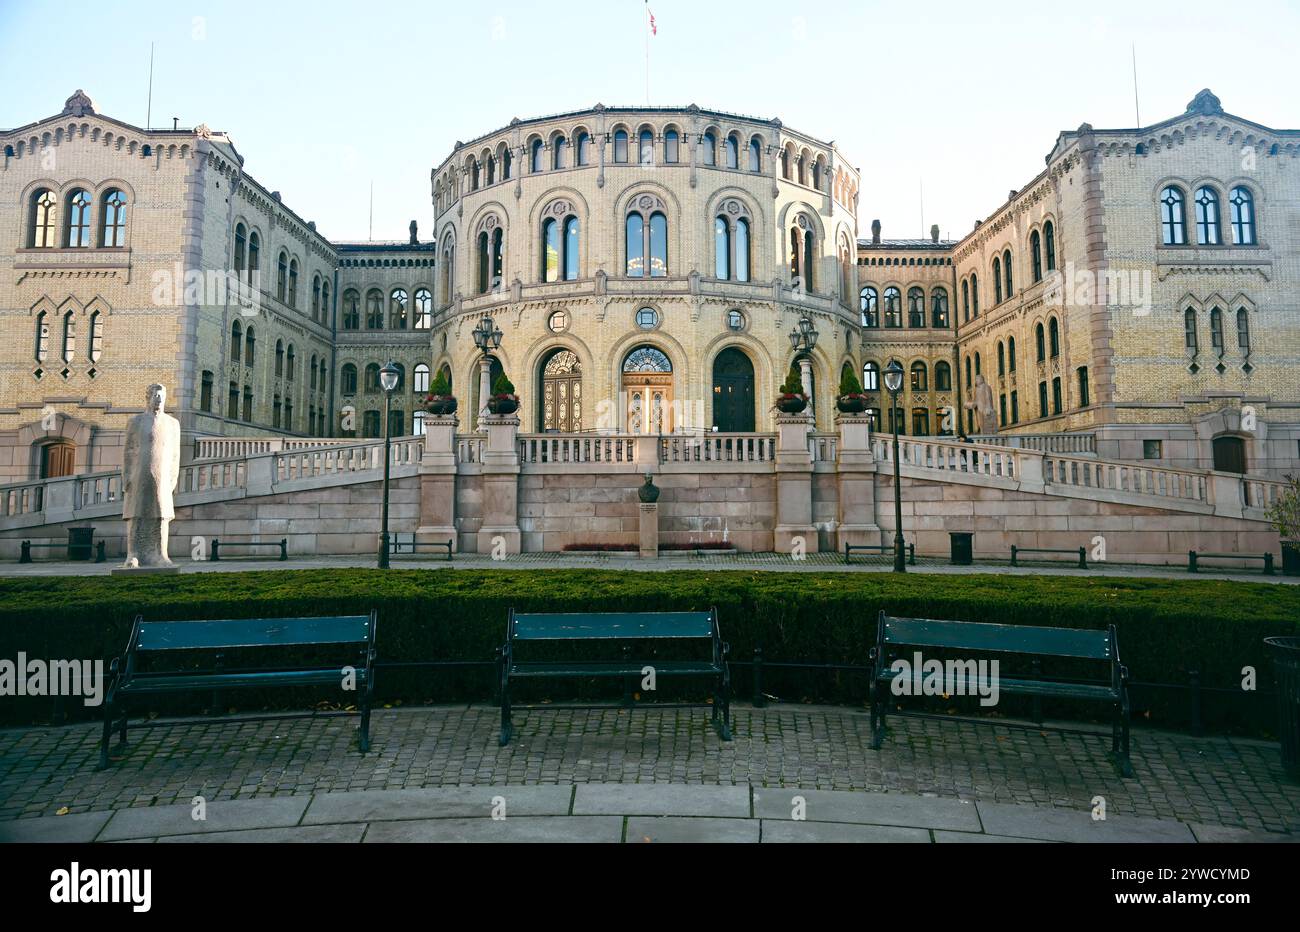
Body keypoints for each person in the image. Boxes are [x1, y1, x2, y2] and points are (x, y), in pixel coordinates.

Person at [121, 383, 181, 567]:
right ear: (148, 398)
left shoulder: (172, 424)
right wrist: (127, 477)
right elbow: (129, 451)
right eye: (155, 395)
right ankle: (133, 554)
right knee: (136, 514)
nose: (159, 399)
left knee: (161, 515)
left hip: (162, 476)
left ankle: (160, 554)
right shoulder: (136, 422)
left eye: (162, 396)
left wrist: (173, 478)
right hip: (140, 474)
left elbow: (175, 455)